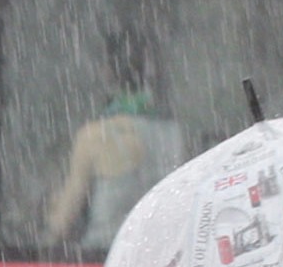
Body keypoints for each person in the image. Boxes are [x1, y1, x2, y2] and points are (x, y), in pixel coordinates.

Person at [41, 21, 189, 253]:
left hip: (103, 256)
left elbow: (61, 224)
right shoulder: (175, 134)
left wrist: (50, 208)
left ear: (107, 72)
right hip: (157, 258)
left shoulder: (94, 137)